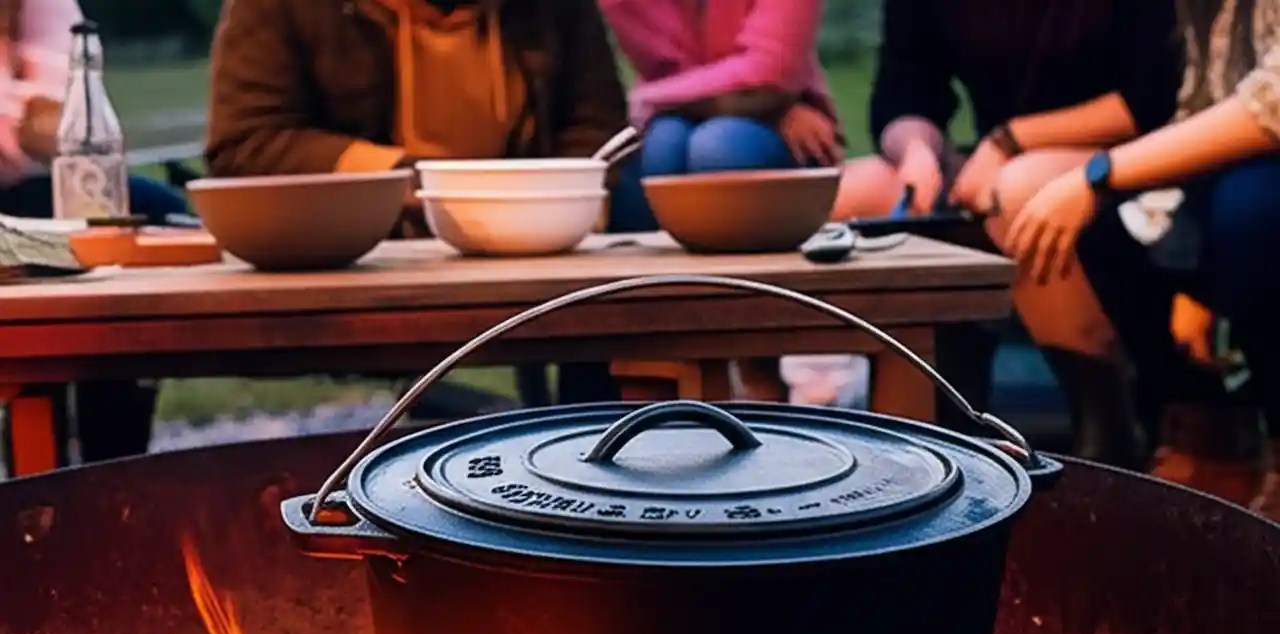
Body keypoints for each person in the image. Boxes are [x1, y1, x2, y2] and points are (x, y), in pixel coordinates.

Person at [206, 0, 629, 404]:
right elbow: (246, 142)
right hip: (361, 246)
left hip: (536, 235)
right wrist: (403, 179)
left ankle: (598, 447)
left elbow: (596, 124)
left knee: (623, 281)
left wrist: (566, 198)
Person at [832, 0, 1183, 466]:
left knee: (1018, 191)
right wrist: (918, 148)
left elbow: (1154, 98)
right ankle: (935, 423)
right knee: (852, 192)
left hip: (1135, 154)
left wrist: (1009, 140)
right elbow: (905, 90)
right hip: (999, 158)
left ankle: (1111, 426)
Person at [1005, 0, 1280, 518]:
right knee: (1110, 225)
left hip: (1261, 177)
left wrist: (1098, 173)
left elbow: (1271, 107)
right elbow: (1201, 112)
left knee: (1251, 214)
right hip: (1243, 164)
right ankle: (1208, 435)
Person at [599, 0, 844, 400]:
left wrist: (651, 97)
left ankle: (753, 366)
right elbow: (674, 70)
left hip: (775, 135)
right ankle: (654, 374)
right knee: (663, 145)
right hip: (678, 125)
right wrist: (737, 93)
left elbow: (771, 70)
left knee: (719, 148)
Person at [1, 0, 189, 462]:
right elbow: (38, 128)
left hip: (28, 192)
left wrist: (34, 117)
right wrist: (28, 113)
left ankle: (110, 478)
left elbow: (66, 119)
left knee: (143, 218)